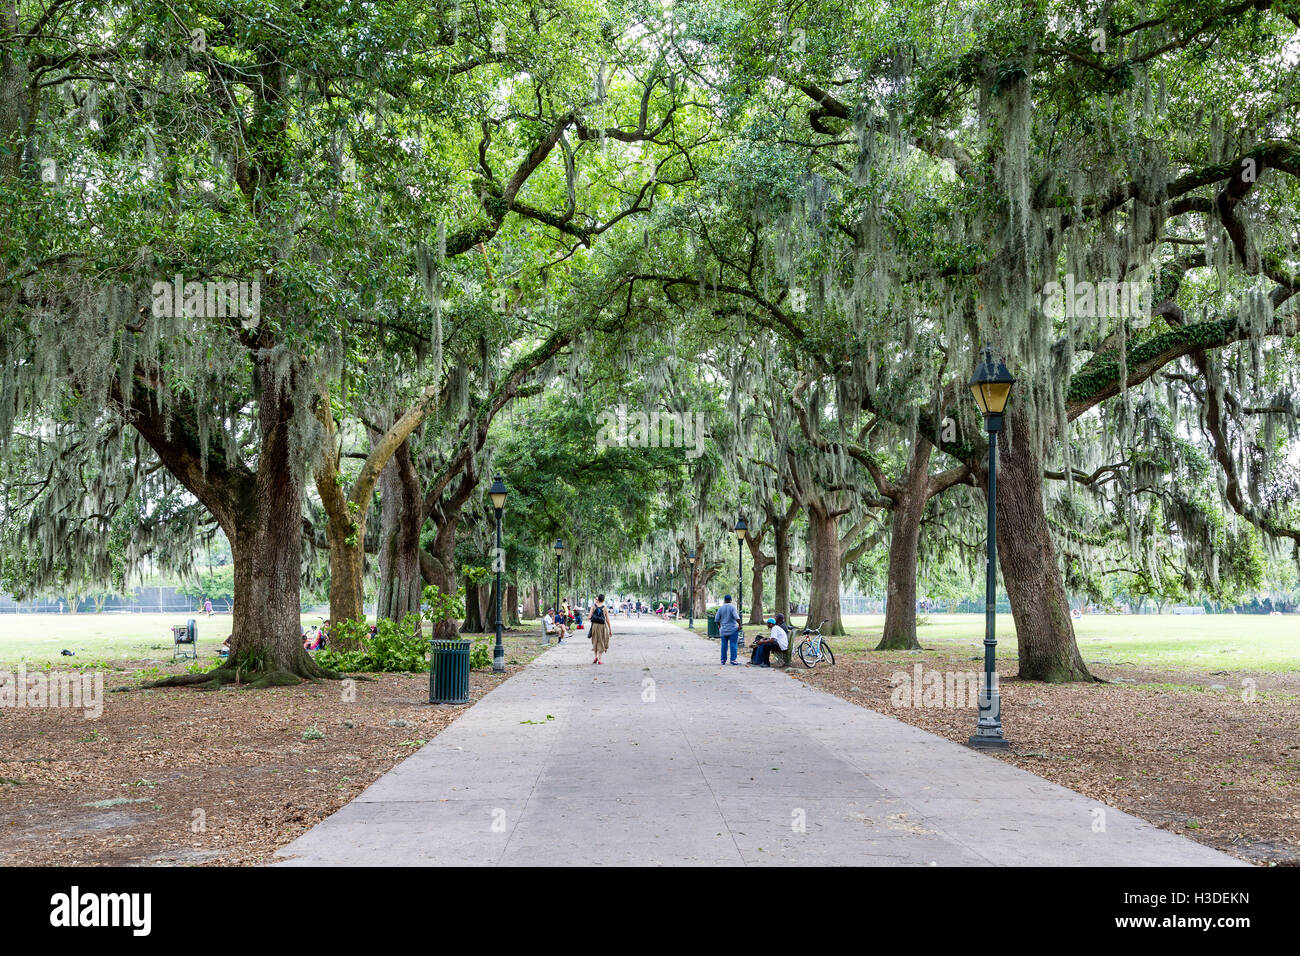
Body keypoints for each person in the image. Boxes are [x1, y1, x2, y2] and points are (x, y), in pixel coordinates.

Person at [715, 594, 741, 665]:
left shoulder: (721, 608)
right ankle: (733, 660)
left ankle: (723, 660)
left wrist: (719, 625)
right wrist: (740, 625)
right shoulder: (733, 607)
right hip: (732, 629)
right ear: (731, 600)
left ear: (724, 600)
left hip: (723, 630)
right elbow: (736, 617)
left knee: (724, 645)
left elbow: (716, 619)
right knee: (733, 644)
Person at [589, 593, 612, 664]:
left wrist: (594, 618)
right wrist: (610, 629)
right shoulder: (604, 608)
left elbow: (589, 617)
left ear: (598, 599)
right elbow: (607, 619)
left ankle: (595, 656)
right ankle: (599, 659)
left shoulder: (593, 606)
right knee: (601, 640)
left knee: (595, 640)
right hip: (602, 626)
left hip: (595, 626)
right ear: (603, 600)